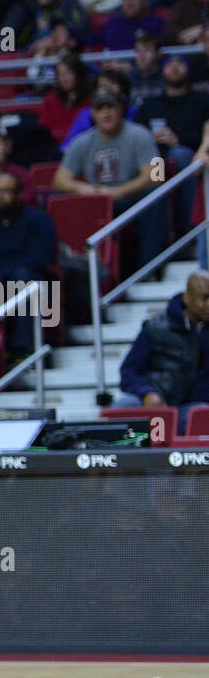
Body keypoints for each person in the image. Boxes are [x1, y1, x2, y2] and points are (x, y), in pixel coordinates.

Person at [53, 87, 162, 267]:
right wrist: (86, 189)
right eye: (99, 109)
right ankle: (77, 267)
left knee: (154, 196)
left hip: (130, 198)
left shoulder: (141, 134)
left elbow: (157, 175)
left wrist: (117, 192)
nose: (106, 113)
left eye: (110, 107)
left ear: (120, 109)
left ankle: (150, 268)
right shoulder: (81, 141)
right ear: (93, 114)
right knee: (56, 198)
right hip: (95, 200)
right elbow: (59, 180)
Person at [0, 172, 59, 358]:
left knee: (25, 280)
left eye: (6, 191)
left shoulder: (39, 221)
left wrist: (4, 276)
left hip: (31, 282)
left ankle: (24, 351)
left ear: (19, 195)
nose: (0, 196)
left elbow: (42, 258)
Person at [117, 270, 209, 432]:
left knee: (202, 414)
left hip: (194, 409)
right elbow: (128, 373)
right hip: (157, 405)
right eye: (204, 298)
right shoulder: (155, 328)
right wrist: (147, 393)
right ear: (187, 298)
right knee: (122, 407)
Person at [134, 53, 209, 239]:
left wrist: (178, 141)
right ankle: (162, 234)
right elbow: (135, 136)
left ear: (189, 70)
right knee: (154, 172)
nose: (174, 67)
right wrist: (149, 138)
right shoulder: (150, 105)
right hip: (155, 161)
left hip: (192, 162)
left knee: (179, 154)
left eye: (180, 63)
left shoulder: (202, 102)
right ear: (162, 70)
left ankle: (189, 228)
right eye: (170, 63)